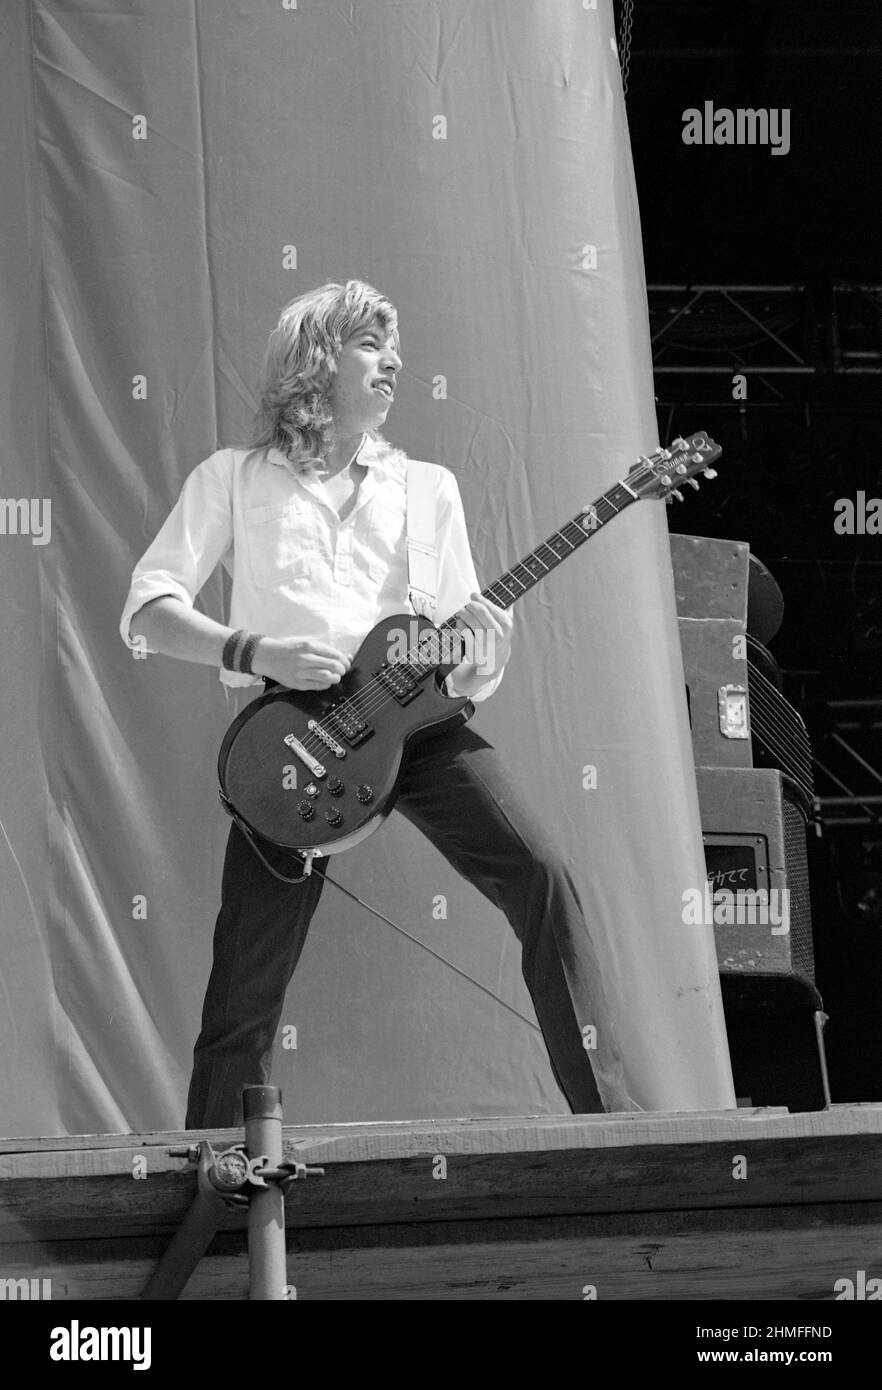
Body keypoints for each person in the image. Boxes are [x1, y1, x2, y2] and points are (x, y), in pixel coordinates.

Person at [120, 279, 637, 1126]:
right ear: (317, 359)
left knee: (542, 874)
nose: (394, 361)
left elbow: (469, 659)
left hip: (417, 728)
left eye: (396, 349)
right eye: (371, 345)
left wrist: (476, 643)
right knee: (248, 973)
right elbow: (146, 610)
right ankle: (212, 1172)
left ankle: (614, 1122)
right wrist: (254, 649)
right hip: (294, 734)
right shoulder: (234, 479)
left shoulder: (427, 488)